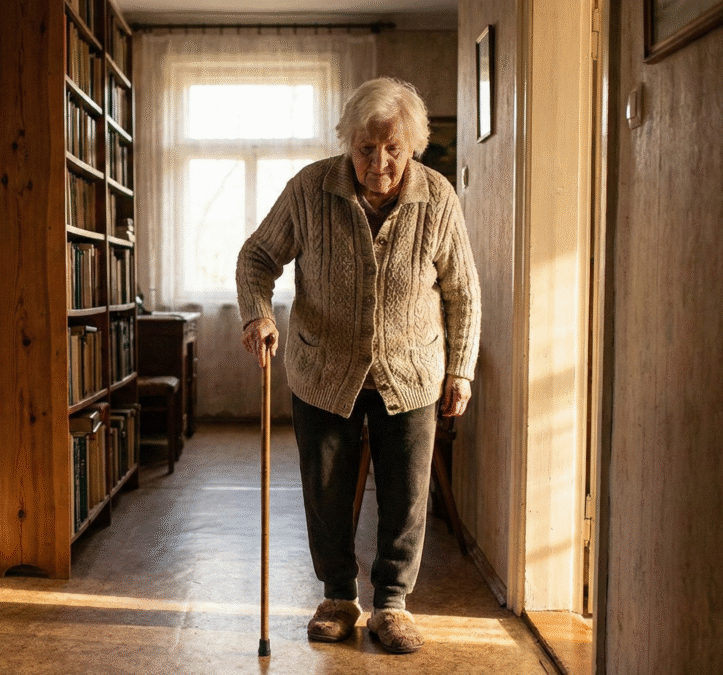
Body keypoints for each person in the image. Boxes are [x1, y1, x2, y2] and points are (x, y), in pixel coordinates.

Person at [235, 77, 481, 655]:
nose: (379, 161)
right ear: (349, 142)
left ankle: (392, 605)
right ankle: (339, 598)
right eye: (366, 148)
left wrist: (461, 368)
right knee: (326, 489)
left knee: (405, 495)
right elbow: (257, 257)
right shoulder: (310, 190)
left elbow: (462, 291)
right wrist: (257, 316)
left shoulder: (438, 197)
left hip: (412, 369)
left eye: (392, 148)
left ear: (413, 145)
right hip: (325, 368)